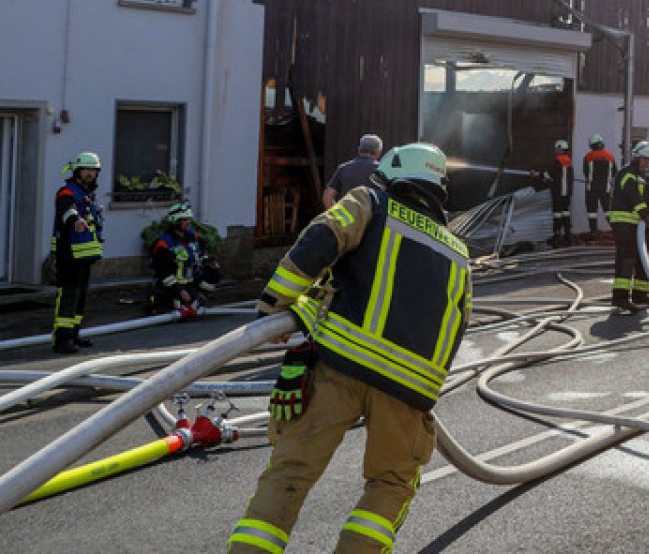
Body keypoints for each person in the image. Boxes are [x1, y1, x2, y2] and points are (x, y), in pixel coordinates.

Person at [229, 142, 470, 554]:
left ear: (392, 173)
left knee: (292, 470)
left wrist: (275, 307)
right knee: (391, 483)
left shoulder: (371, 203)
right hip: (409, 389)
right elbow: (460, 323)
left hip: (340, 367)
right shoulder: (460, 253)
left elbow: (321, 239)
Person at [608, 141, 649, 315]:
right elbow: (633, 196)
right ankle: (620, 298)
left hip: (639, 223)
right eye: (645, 159)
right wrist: (644, 214)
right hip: (624, 222)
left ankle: (640, 294)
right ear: (637, 157)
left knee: (648, 255)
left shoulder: (645, 178)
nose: (647, 163)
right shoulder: (626, 174)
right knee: (627, 257)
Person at [51, 151, 105, 354]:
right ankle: (62, 339)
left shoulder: (88, 195)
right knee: (68, 295)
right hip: (69, 254)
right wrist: (76, 220)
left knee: (81, 296)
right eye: (86, 170)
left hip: (84, 256)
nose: (90, 174)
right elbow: (66, 210)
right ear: (77, 171)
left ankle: (74, 334)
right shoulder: (67, 192)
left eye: (93, 170)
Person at [149, 201, 221, 317]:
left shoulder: (194, 238)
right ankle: (167, 303)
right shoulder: (164, 243)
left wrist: (209, 262)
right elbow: (163, 273)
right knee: (176, 307)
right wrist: (179, 291)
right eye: (185, 219)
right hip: (170, 286)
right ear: (175, 221)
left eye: (189, 219)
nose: (189, 222)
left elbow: (200, 256)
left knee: (214, 274)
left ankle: (198, 296)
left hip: (190, 282)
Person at [323, 134, 383, 208]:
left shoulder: (343, 168)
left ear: (359, 150)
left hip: (348, 217)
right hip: (374, 218)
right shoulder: (382, 171)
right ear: (378, 153)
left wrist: (339, 216)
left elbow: (327, 197)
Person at [538, 139, 574, 247]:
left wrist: (539, 174)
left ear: (559, 148)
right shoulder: (568, 161)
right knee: (566, 212)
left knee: (557, 213)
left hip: (558, 192)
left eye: (556, 148)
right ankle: (568, 234)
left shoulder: (558, 161)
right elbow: (559, 176)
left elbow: (548, 175)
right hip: (567, 192)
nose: (555, 150)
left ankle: (557, 235)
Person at [582, 134, 616, 237]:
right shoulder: (610, 156)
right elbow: (615, 172)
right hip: (606, 188)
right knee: (608, 210)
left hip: (591, 188)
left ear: (592, 145)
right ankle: (616, 230)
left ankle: (593, 232)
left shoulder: (588, 157)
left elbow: (585, 172)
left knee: (592, 211)